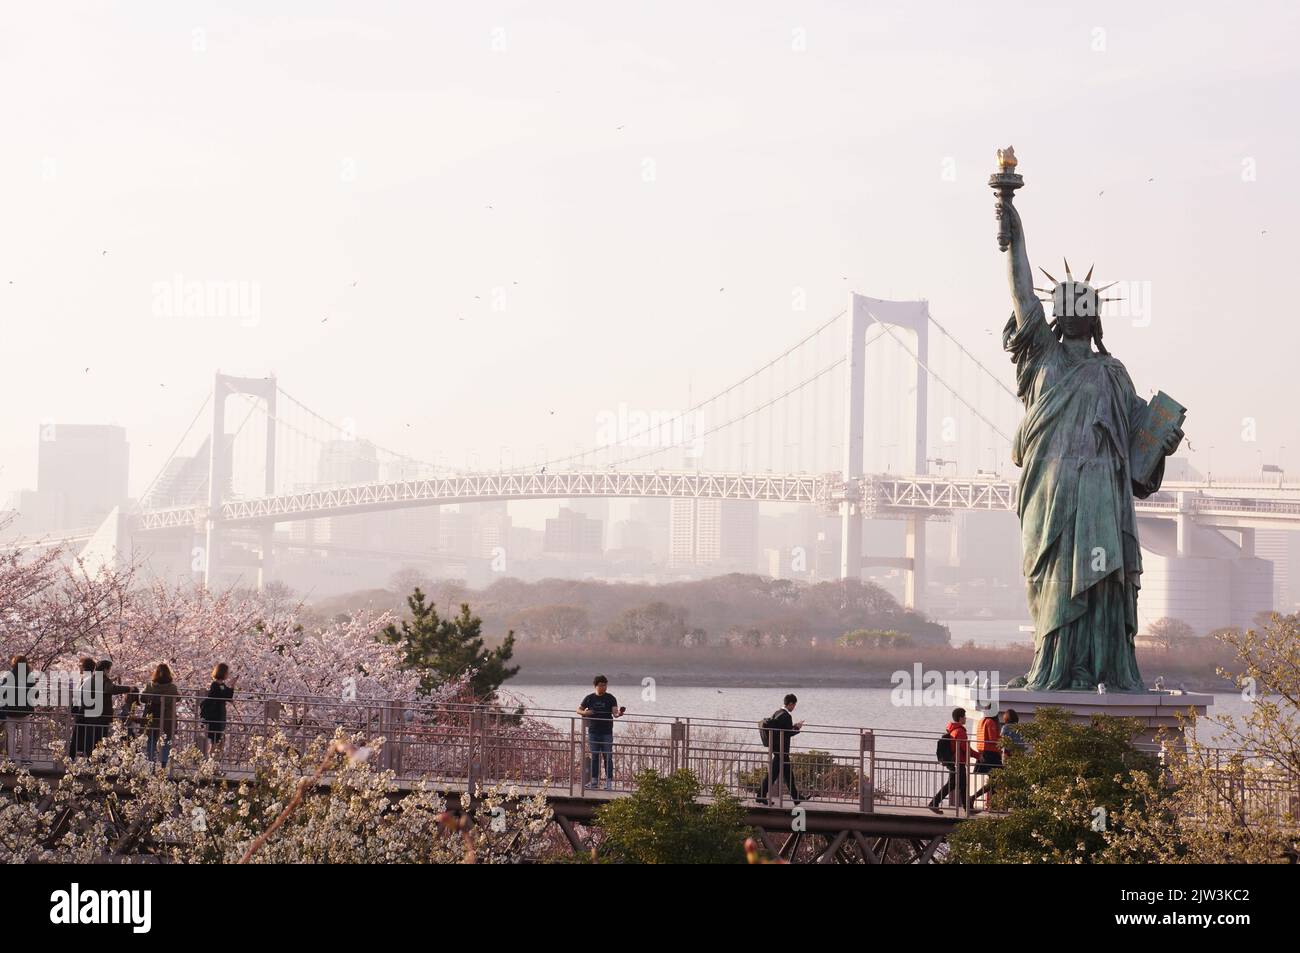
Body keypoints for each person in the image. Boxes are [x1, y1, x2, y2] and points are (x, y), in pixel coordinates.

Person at [576, 674, 624, 790]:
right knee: (595, 756)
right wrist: (586, 713)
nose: (603, 687)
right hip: (593, 731)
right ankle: (594, 781)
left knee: (607, 756)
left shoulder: (610, 698)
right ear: (595, 686)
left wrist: (619, 714)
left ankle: (608, 782)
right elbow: (578, 710)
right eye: (601, 685)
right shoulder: (589, 698)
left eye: (605, 685)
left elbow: (615, 713)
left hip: (607, 731)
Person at [757, 693, 804, 806]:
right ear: (790, 704)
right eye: (794, 705)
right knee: (773, 775)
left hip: (776, 748)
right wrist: (797, 727)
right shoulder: (786, 716)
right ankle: (760, 796)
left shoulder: (777, 713)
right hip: (782, 750)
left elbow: (782, 730)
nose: (794, 708)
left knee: (788, 774)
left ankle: (796, 797)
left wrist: (793, 727)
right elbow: (788, 733)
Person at [929, 707, 974, 814]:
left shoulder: (953, 730)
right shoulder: (960, 731)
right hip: (959, 763)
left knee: (961, 785)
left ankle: (968, 808)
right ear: (960, 718)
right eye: (964, 716)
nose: (966, 718)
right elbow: (965, 747)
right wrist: (978, 756)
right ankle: (934, 803)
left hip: (955, 762)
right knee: (955, 785)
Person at [142, 663, 180, 768]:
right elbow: (178, 698)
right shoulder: (172, 688)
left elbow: (142, 698)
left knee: (151, 740)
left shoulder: (150, 686)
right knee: (167, 740)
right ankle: (163, 764)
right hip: (167, 718)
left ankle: (151, 762)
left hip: (152, 716)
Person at [1, 655, 36, 762]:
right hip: (25, 710)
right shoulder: (29, 676)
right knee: (26, 735)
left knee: (11, 735)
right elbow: (35, 693)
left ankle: (11, 758)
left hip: (11, 710)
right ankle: (25, 758)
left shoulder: (8, 676)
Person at [200, 663, 237, 754]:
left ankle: (216, 759)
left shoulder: (222, 685)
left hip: (220, 715)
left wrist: (232, 686)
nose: (228, 674)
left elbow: (228, 696)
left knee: (220, 740)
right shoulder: (215, 685)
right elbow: (221, 696)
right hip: (215, 716)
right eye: (227, 672)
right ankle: (210, 760)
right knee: (215, 740)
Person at [972, 708, 1003, 806]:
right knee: (997, 779)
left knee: (994, 780)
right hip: (991, 754)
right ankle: (974, 798)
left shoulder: (982, 721)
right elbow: (993, 739)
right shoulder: (990, 722)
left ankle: (991, 804)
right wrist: (1003, 740)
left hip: (983, 753)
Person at [67, 657, 97, 758]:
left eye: (80, 665)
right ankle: (74, 758)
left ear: (85, 667)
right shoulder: (82, 679)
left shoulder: (90, 680)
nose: (79, 667)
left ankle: (81, 759)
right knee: (78, 738)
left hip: (85, 714)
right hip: (80, 713)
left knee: (85, 739)